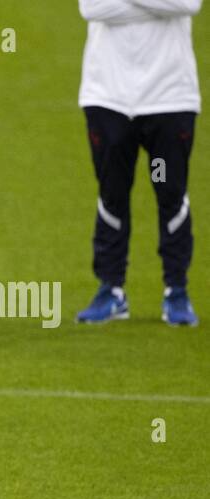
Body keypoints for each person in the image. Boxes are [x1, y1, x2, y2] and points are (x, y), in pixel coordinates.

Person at [76, 0, 200, 326]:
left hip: (168, 99)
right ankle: (111, 289)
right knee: (113, 193)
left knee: (167, 189)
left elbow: (188, 3)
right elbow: (91, 7)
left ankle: (176, 289)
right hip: (108, 97)